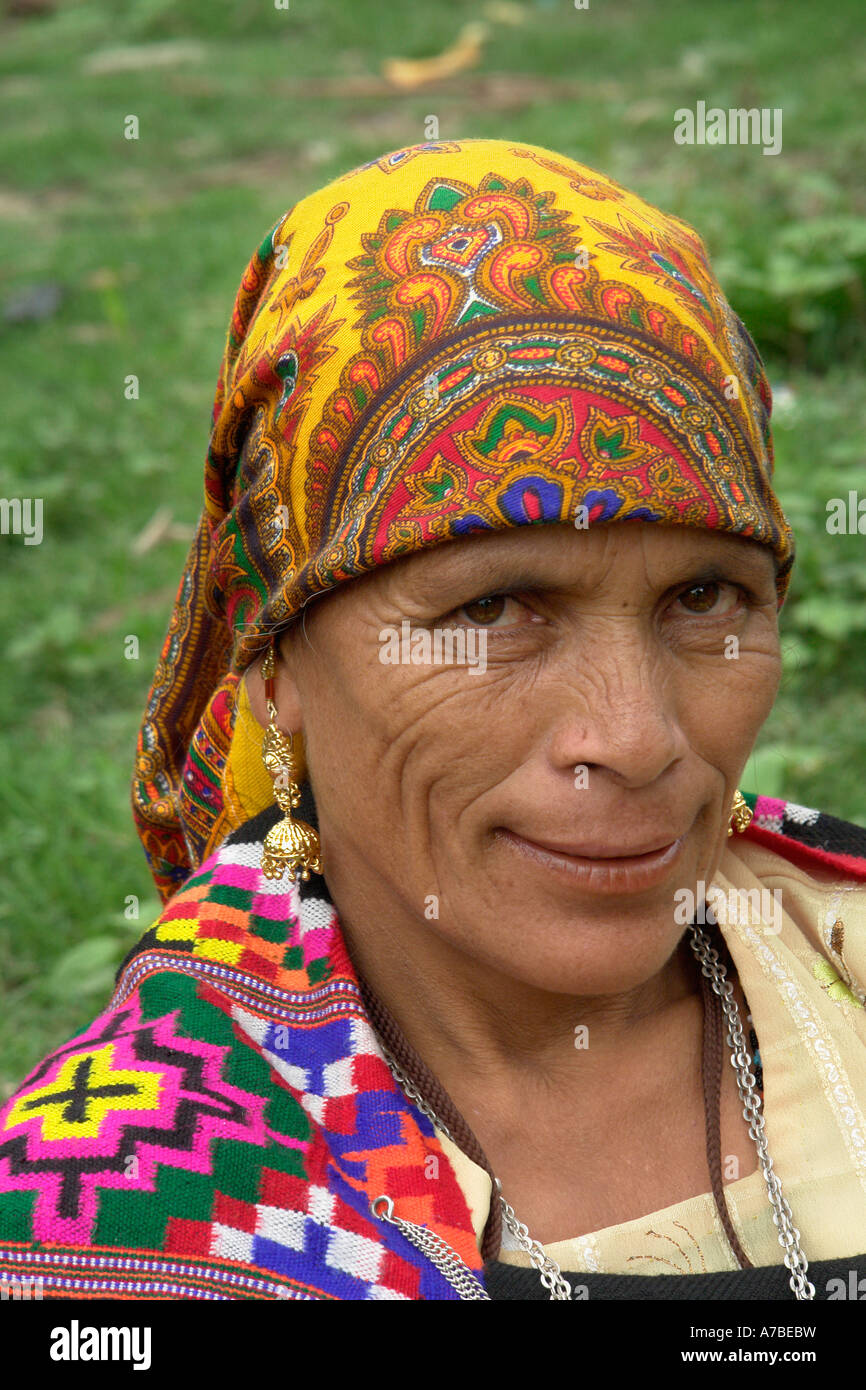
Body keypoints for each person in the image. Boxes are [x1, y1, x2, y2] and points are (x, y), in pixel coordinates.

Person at [1, 139, 865, 1302]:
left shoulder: (832, 941)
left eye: (702, 598)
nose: (638, 735)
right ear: (275, 663)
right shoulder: (113, 1227)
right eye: (493, 607)